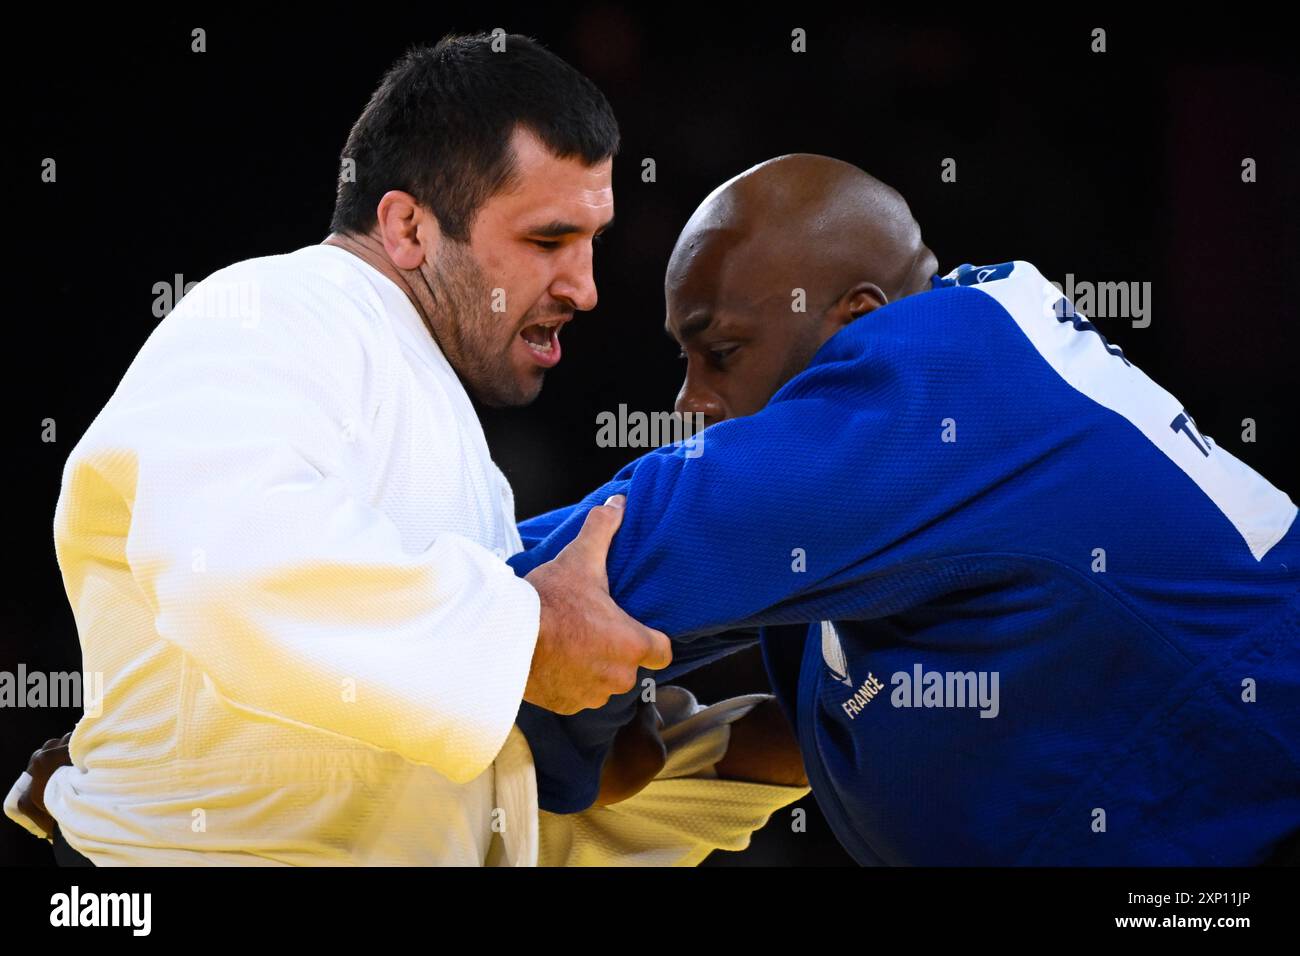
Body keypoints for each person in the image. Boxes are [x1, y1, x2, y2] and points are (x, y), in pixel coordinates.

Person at [10, 32, 686, 866]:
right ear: (408, 226)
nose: (584, 287)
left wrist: (738, 767)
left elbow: (439, 813)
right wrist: (529, 636)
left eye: (592, 242)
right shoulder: (275, 305)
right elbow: (228, 560)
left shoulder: (435, 419)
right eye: (547, 242)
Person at [509, 154, 1300, 865]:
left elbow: (589, 571)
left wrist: (548, 717)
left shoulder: (946, 372)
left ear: (858, 316)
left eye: (721, 352)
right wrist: (636, 736)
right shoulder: (912, 495)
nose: (689, 400)